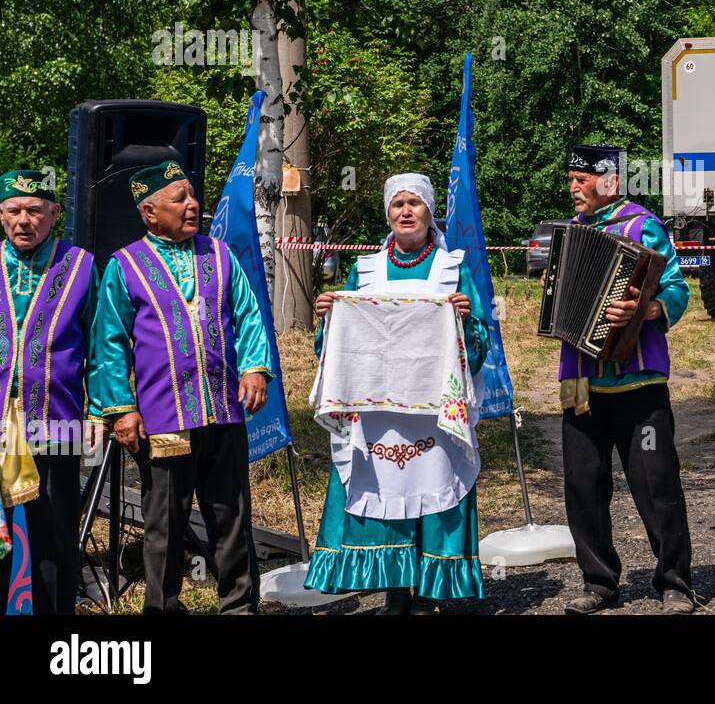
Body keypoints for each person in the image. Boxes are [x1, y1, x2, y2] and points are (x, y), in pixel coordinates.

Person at [88, 160, 272, 613]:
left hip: (224, 410)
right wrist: (120, 408)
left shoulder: (221, 255)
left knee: (231, 516)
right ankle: (164, 608)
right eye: (180, 199)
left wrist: (254, 368)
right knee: (165, 523)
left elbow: (249, 316)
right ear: (150, 213)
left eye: (192, 196)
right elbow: (108, 342)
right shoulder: (125, 266)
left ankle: (240, 606)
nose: (193, 205)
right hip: (164, 418)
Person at [306, 173, 489, 614]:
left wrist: (465, 321)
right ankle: (393, 590)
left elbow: (480, 345)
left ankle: (428, 593)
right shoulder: (365, 271)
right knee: (386, 490)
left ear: (429, 211)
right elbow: (331, 350)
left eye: (415, 204)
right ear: (387, 213)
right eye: (397, 205)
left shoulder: (453, 268)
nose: (406, 212)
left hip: (434, 413)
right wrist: (328, 317)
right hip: (377, 411)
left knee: (433, 487)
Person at [553, 144, 693, 614]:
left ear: (609, 182)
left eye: (581, 179)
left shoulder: (641, 226)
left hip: (638, 381)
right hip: (581, 380)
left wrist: (647, 309)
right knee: (583, 486)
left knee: (655, 483)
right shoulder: (573, 232)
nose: (573, 187)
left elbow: (676, 287)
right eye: (571, 179)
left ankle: (674, 581)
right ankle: (598, 582)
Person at [0, 169, 98, 614]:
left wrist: (101, 411)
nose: (24, 220)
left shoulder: (80, 266)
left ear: (54, 214)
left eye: (35, 210)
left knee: (54, 533)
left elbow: (100, 347)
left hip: (56, 422)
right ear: (1, 215)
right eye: (13, 210)